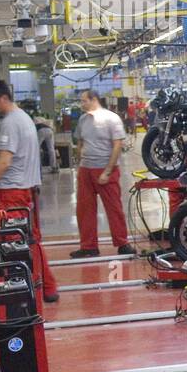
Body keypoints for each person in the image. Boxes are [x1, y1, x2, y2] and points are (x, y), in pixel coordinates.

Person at [0, 79, 59, 301]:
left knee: (11, 245)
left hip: (11, 195)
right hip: (25, 190)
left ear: (3, 98)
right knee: (30, 242)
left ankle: (17, 296)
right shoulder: (23, 118)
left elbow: (3, 163)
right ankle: (46, 288)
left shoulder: (9, 122)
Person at [71, 89, 133, 259]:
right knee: (84, 209)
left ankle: (122, 243)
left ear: (94, 99)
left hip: (106, 169)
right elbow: (80, 143)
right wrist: (79, 166)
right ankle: (88, 246)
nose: (81, 104)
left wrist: (108, 170)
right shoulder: (83, 120)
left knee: (114, 208)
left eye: (84, 101)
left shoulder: (111, 119)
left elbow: (117, 146)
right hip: (86, 169)